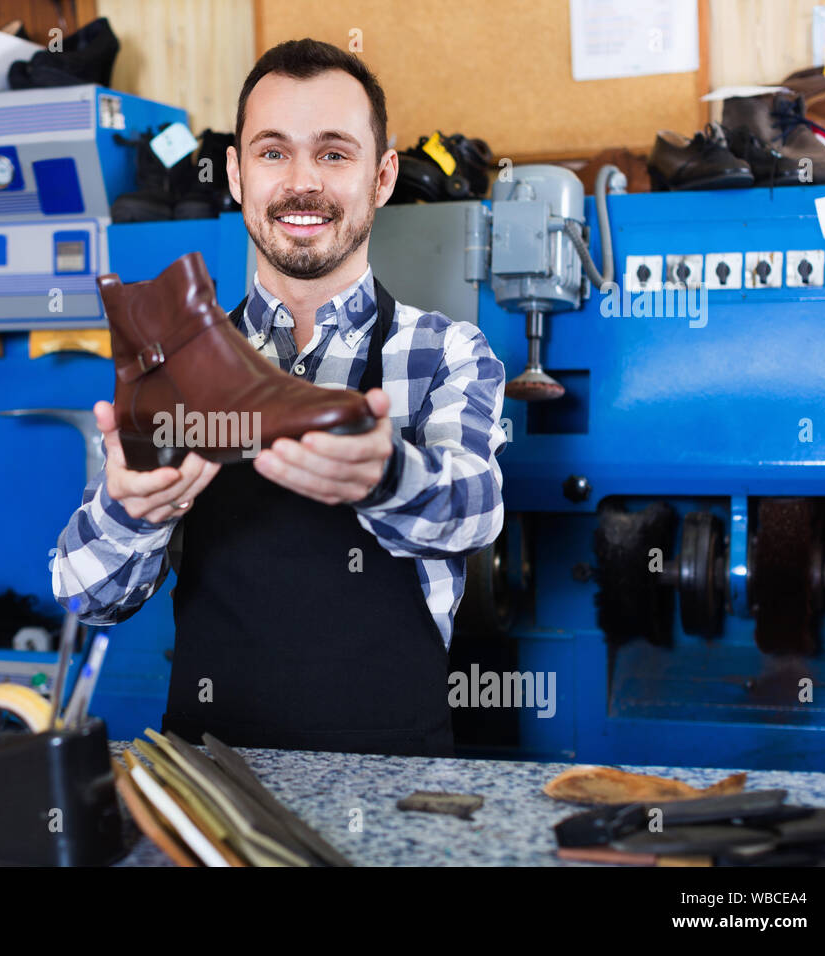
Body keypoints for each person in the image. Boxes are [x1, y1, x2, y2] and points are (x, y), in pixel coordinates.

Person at [53, 38, 506, 756]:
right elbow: (84, 598)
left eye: (333, 154)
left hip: (394, 778)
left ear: (382, 177)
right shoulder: (177, 365)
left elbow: (476, 510)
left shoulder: (446, 351)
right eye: (272, 153)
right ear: (234, 173)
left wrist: (386, 476)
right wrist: (132, 509)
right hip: (212, 782)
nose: (302, 183)